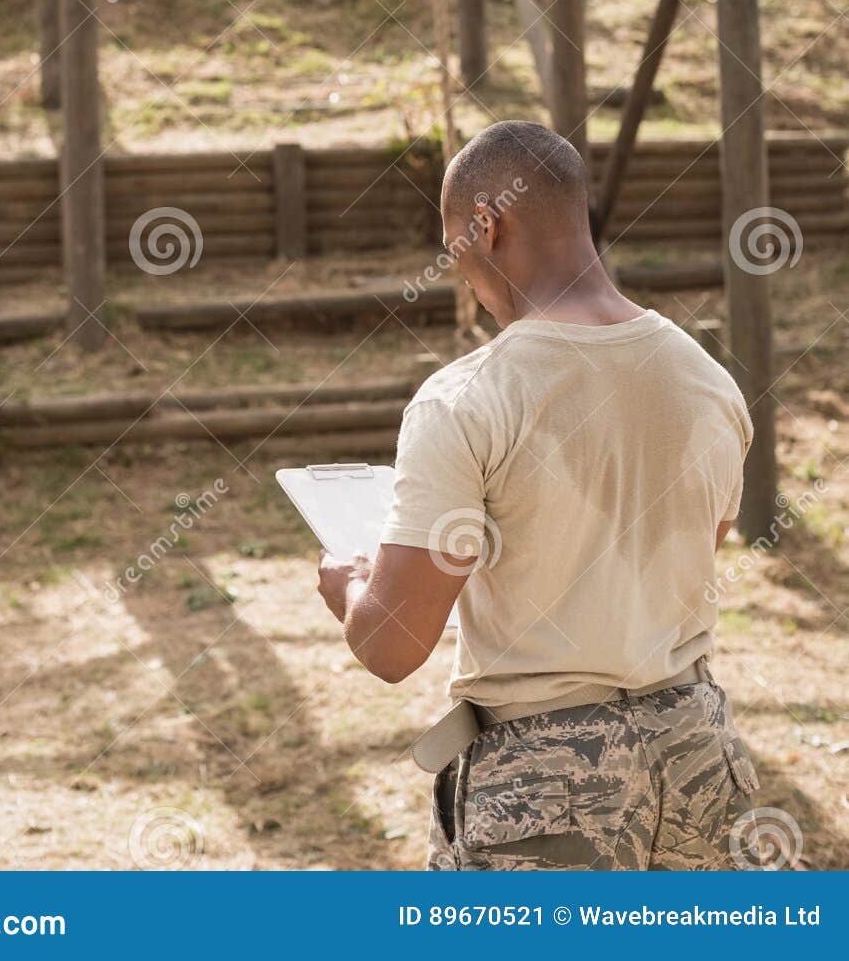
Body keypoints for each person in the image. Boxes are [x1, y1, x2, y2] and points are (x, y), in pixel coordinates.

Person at [317, 120, 760, 871]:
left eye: (456, 248)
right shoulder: (708, 382)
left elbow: (391, 648)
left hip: (546, 789)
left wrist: (351, 587)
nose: (463, 274)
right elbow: (678, 563)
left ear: (485, 228)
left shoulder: (465, 400)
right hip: (698, 760)